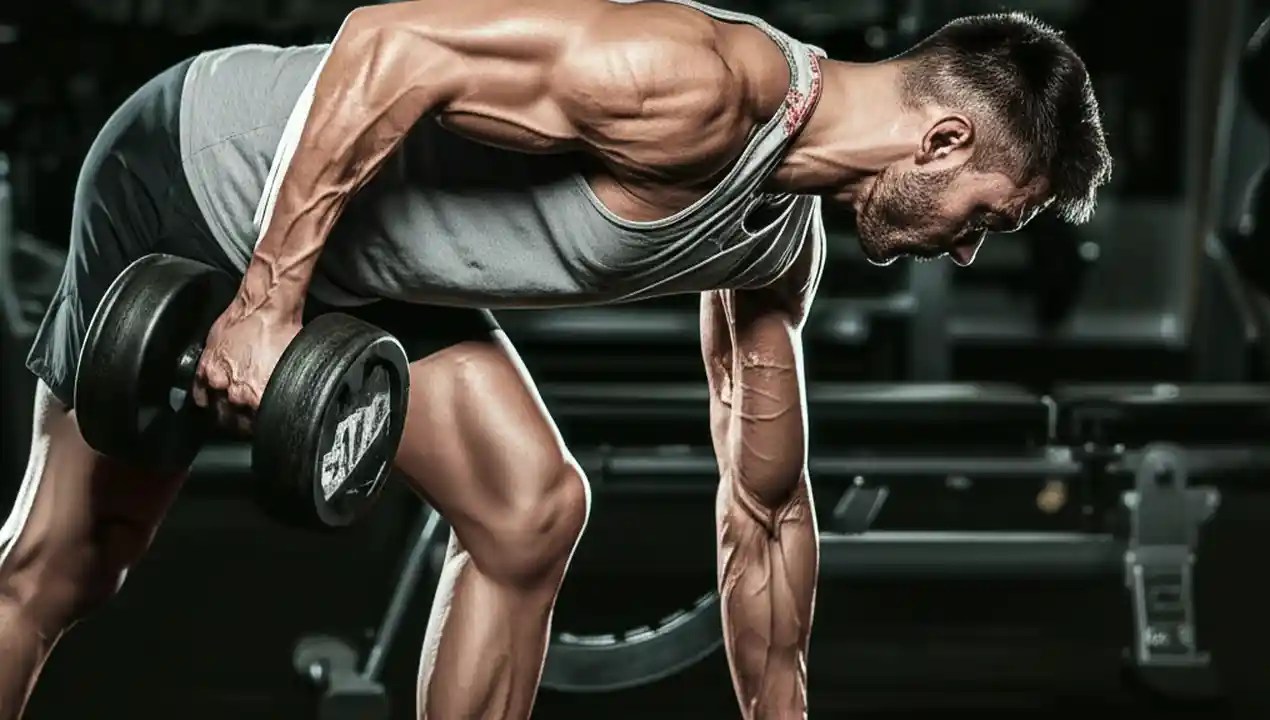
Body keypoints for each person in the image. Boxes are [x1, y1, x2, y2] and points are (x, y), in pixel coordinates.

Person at [0, 0, 1112, 717]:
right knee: (70, 565)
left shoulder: (778, 241)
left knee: (531, 510)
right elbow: (392, 46)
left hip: (374, 262)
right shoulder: (693, 80)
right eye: (985, 219)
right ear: (943, 140)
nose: (965, 249)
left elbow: (764, 513)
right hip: (210, 172)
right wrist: (265, 299)